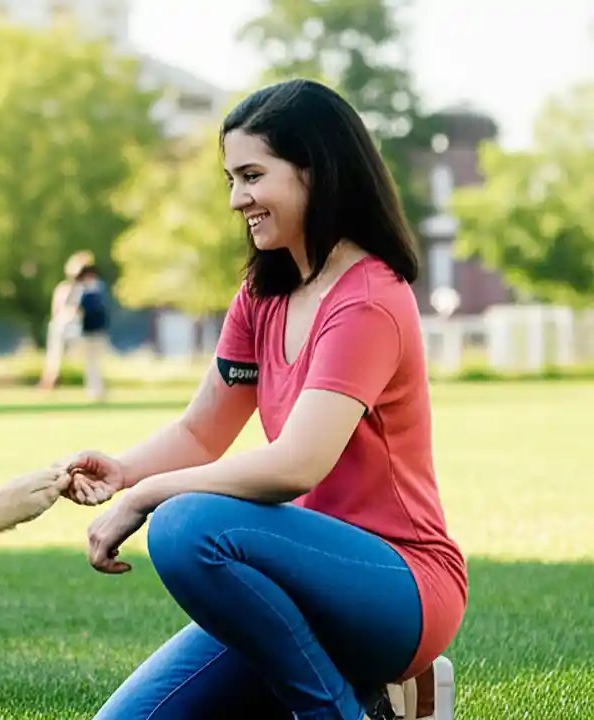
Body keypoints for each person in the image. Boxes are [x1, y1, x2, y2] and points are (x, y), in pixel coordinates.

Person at [57, 79, 467, 720]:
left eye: (252, 174)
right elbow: (201, 431)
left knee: (185, 527)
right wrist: (125, 471)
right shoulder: (262, 295)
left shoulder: (367, 299)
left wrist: (144, 498)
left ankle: (342, 707)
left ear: (315, 170)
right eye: (230, 177)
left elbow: (295, 466)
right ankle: (387, 700)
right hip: (289, 587)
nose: (236, 198)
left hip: (400, 588)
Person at [39, 250, 95, 390]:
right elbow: (57, 309)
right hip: (64, 324)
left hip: (75, 326)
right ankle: (49, 381)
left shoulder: (84, 289)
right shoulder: (65, 288)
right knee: (54, 356)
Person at [73, 263, 110, 402]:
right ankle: (93, 391)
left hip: (97, 331)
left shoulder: (97, 289)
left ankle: (97, 391)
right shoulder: (84, 290)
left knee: (95, 363)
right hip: (88, 331)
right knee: (91, 363)